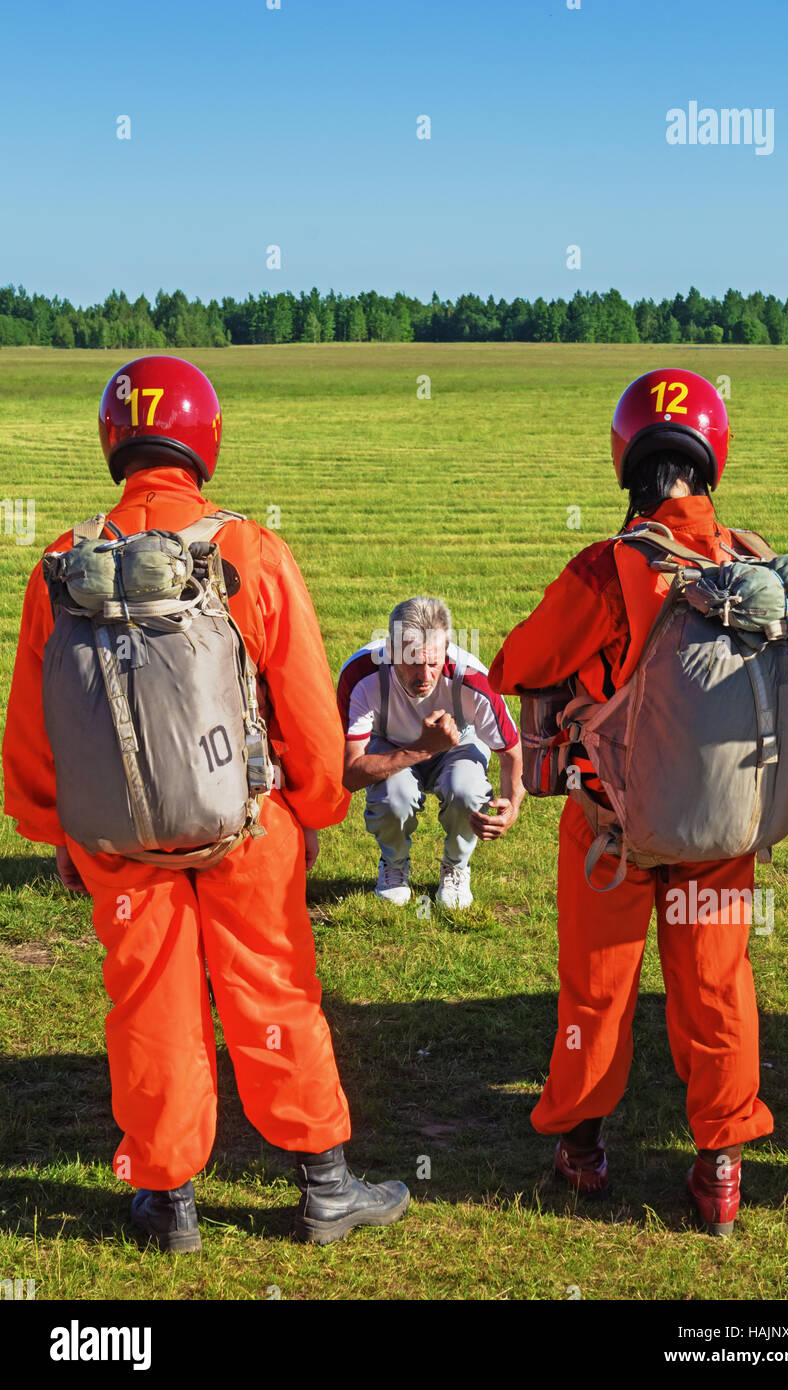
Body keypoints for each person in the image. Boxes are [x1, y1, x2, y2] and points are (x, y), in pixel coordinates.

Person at [2, 355, 409, 1250]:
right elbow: (303, 701)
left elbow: (35, 727)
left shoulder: (63, 565)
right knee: (274, 988)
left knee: (147, 1005)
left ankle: (167, 1199)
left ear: (115, 437)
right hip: (246, 822)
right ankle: (324, 1187)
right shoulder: (247, 549)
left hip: (117, 841)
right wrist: (313, 810)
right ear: (203, 438)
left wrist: (54, 831)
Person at [489, 369, 775, 1237]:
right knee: (717, 989)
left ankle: (581, 1150)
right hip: (718, 827)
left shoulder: (605, 569)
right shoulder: (753, 563)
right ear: (710, 455)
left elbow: (517, 665)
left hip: (610, 826)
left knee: (597, 992)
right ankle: (719, 1170)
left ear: (626, 458)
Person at [337, 596, 524, 908]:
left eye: (433, 662)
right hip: (391, 743)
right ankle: (393, 866)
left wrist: (512, 809)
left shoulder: (473, 678)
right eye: (413, 663)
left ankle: (456, 865)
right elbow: (348, 774)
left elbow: (512, 752)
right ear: (391, 651)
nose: (424, 677)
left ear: (446, 649)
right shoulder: (361, 674)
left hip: (458, 743)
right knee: (393, 796)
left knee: (468, 791)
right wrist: (423, 748)